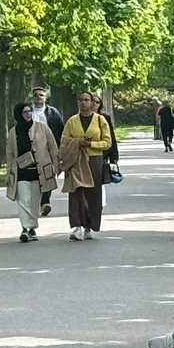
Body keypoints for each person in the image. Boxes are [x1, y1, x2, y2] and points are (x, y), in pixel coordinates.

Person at [57, 91, 114, 241]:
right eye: (81, 100)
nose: (83, 103)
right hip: (76, 159)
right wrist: (77, 142)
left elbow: (107, 142)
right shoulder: (72, 121)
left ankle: (90, 225)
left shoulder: (100, 120)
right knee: (76, 192)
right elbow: (64, 139)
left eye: (87, 100)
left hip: (94, 159)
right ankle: (77, 227)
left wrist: (91, 144)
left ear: (92, 102)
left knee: (93, 194)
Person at [8, 100, 60, 243]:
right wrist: (8, 174)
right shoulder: (13, 132)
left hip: (39, 171)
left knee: (35, 201)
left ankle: (32, 228)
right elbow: (10, 154)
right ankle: (26, 228)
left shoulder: (42, 128)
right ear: (19, 114)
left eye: (29, 111)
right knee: (23, 200)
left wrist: (57, 164)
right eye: (25, 112)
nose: (28, 114)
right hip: (21, 172)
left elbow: (52, 146)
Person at [31, 85, 66, 216]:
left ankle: (45, 202)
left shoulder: (53, 112)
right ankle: (36, 201)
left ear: (45, 97)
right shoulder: (28, 112)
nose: (38, 97)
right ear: (32, 97)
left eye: (41, 95)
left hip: (49, 148)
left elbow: (60, 130)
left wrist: (60, 149)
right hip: (32, 149)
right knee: (35, 176)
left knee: (49, 175)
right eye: (35, 95)